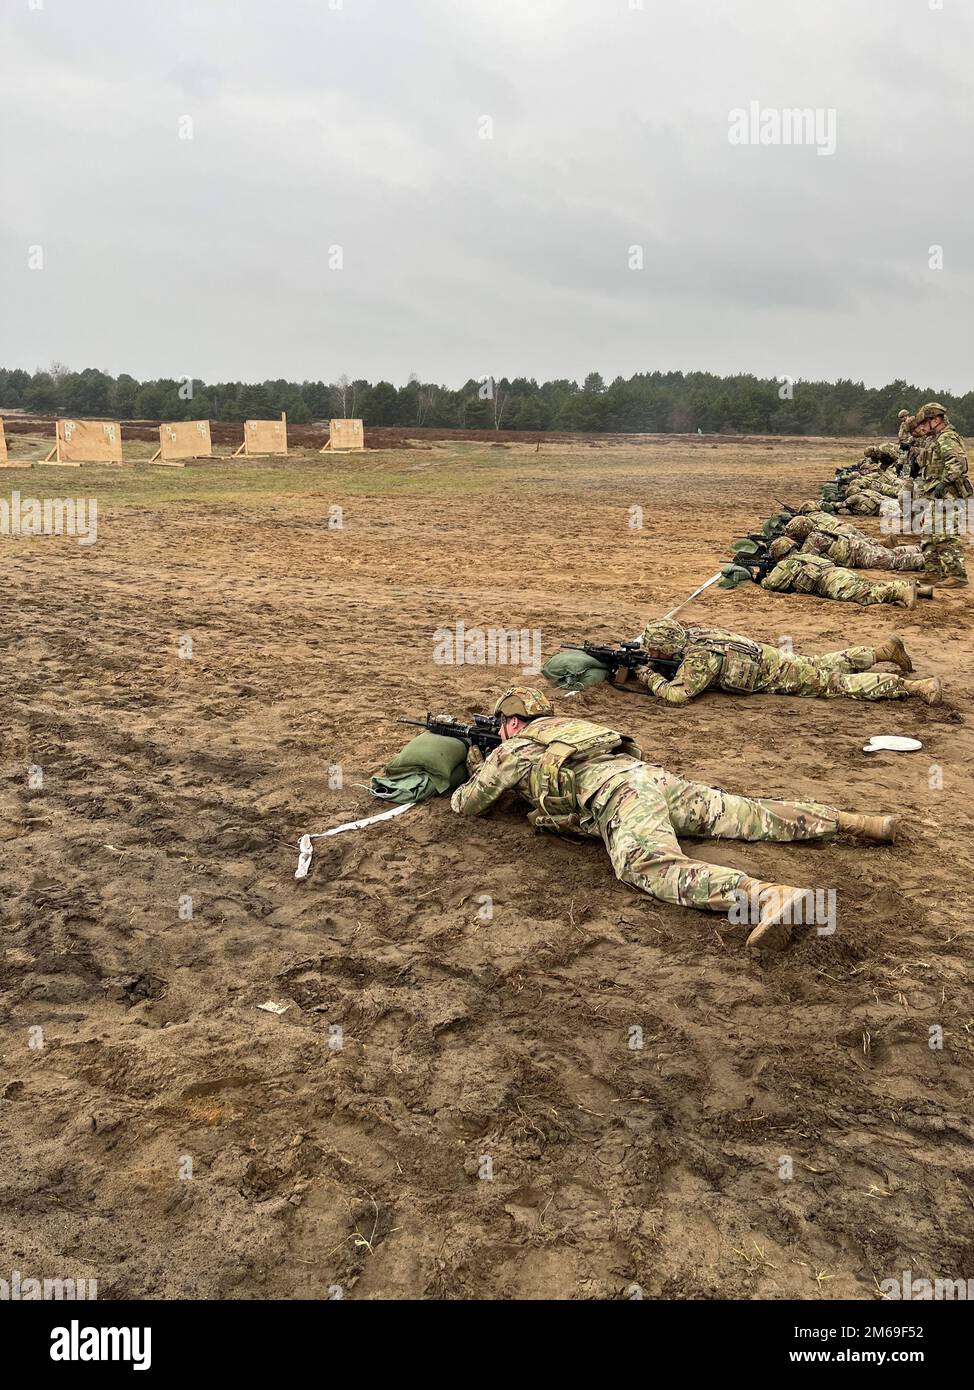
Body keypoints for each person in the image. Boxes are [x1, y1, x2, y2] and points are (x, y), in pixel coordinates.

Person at [451, 687, 899, 952]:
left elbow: (468, 805)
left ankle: (767, 897)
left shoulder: (514, 747)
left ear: (511, 723)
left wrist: (478, 764)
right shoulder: (570, 728)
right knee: (748, 812)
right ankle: (856, 823)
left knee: (648, 867)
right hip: (653, 778)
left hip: (621, 798)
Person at [630, 618, 940, 705]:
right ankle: (883, 652)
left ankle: (914, 687)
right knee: (819, 663)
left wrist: (646, 675)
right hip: (770, 655)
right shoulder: (694, 634)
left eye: (655, 650)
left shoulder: (698, 659)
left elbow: (676, 695)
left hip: (777, 675)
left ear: (667, 647)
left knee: (834, 684)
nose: (652, 654)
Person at [911, 402, 971, 588]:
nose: (922, 427)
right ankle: (933, 572)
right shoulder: (936, 439)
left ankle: (957, 575)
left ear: (935, 420)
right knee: (929, 533)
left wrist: (945, 482)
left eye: (924, 423)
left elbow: (958, 464)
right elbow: (930, 458)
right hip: (934, 493)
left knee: (944, 534)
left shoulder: (947, 438)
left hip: (947, 494)